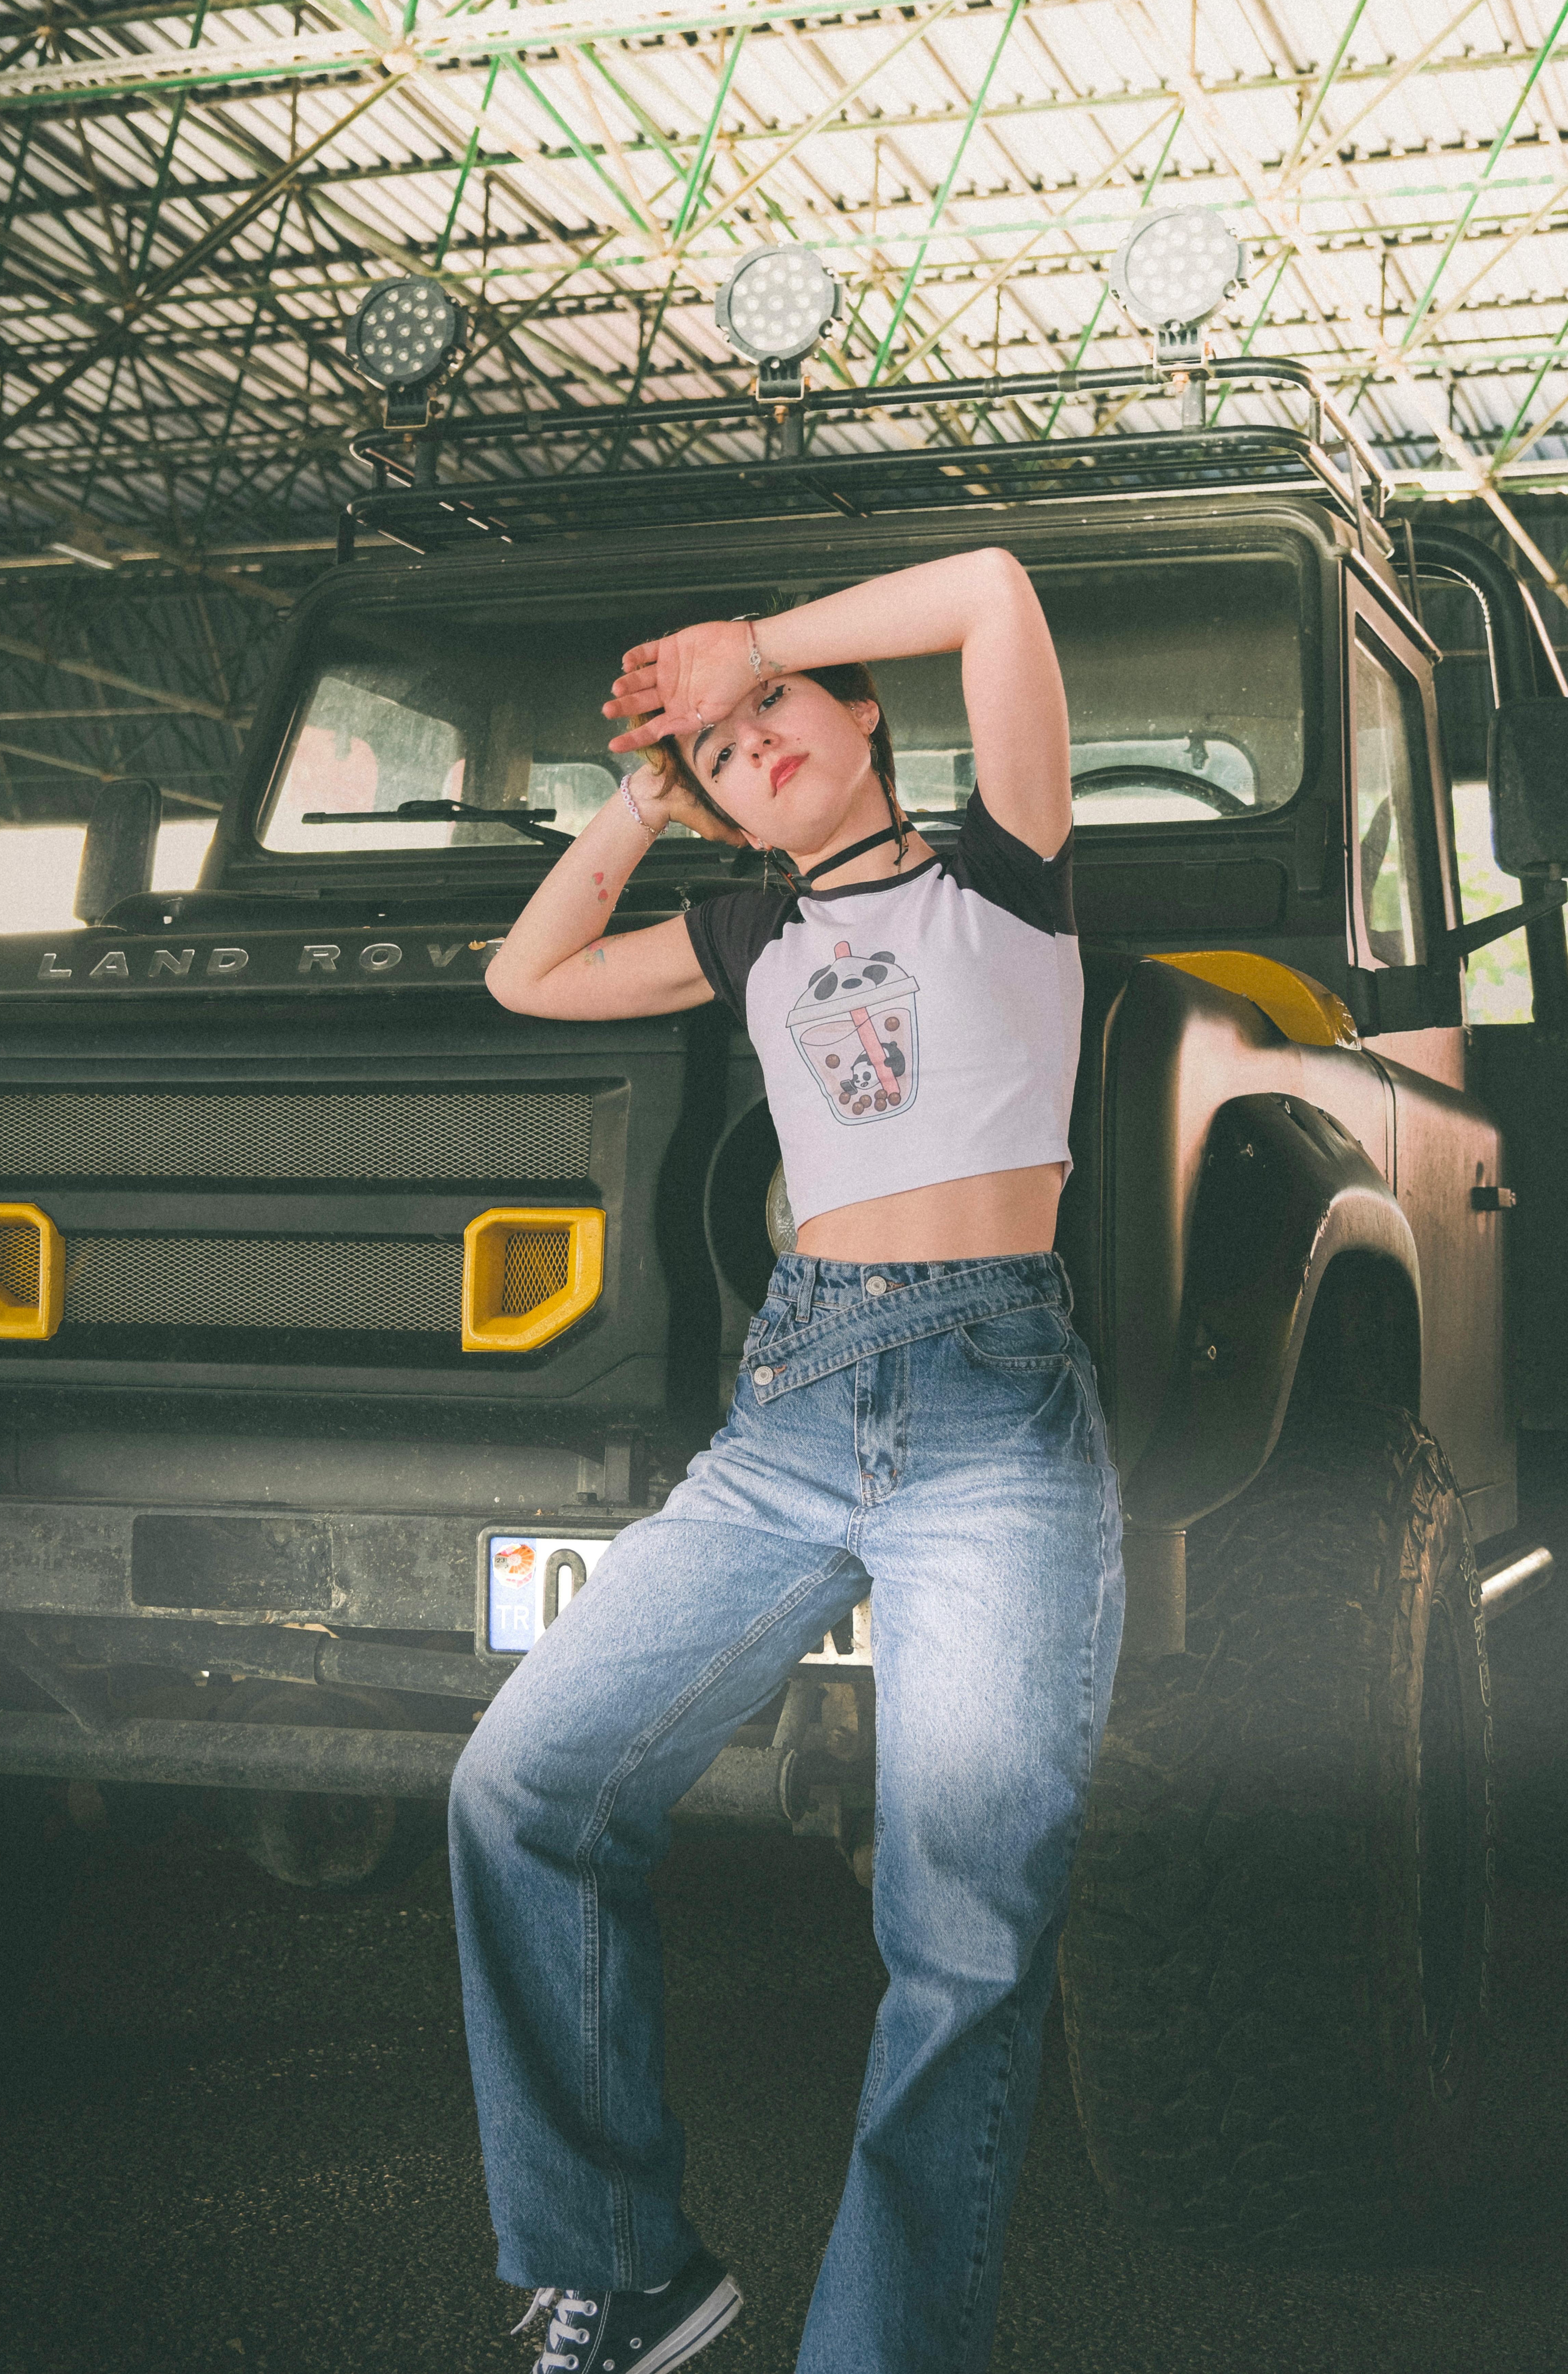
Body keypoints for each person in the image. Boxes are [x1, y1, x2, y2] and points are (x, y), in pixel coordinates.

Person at [449, 548, 1124, 2374]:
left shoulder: (1006, 864)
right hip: (792, 1411)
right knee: (521, 1784)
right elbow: (532, 974)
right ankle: (626, 2266)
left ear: (859, 715)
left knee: (960, 1933)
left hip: (992, 1418)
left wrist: (750, 641)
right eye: (724, 744)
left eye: (778, 709)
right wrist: (637, 790)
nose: (753, 738)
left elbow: (990, 590)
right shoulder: (747, 932)